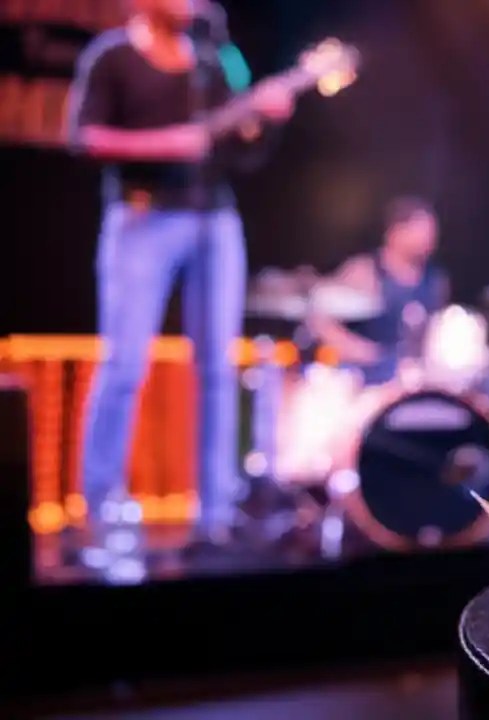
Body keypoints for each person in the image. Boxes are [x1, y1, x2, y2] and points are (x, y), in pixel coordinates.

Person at [67, 0, 295, 551]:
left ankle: (214, 511)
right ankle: (99, 507)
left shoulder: (214, 59)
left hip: (213, 218)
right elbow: (82, 137)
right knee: (123, 364)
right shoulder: (113, 56)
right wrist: (164, 143)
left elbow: (242, 151)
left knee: (217, 366)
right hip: (141, 218)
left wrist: (261, 120)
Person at [309, 197, 450, 386]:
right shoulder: (364, 271)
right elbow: (321, 323)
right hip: (364, 378)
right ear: (395, 232)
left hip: (415, 378)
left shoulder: (436, 280)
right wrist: (367, 353)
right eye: (422, 231)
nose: (430, 239)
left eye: (432, 232)